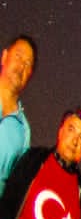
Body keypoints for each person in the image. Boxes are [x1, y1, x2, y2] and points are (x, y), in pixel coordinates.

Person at [0, 35, 35, 181]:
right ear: (4, 57)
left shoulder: (24, 131)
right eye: (18, 56)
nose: (21, 66)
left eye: (27, 63)